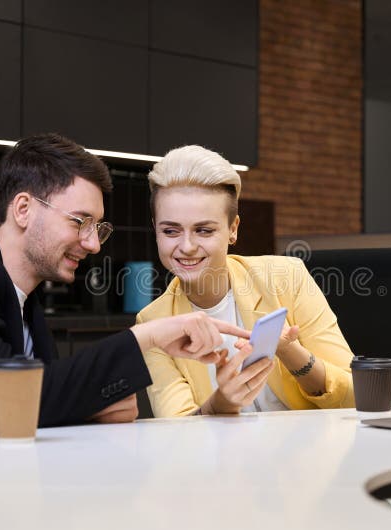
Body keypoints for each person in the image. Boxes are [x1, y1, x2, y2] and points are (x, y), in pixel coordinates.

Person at [0, 133, 248, 454]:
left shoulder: (24, 305)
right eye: (80, 221)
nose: (93, 244)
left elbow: (42, 402)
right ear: (23, 209)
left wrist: (86, 409)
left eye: (98, 227)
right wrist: (146, 339)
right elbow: (8, 396)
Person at [136, 145, 356, 417]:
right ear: (156, 230)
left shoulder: (286, 277)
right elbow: (177, 433)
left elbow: (354, 396)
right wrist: (221, 404)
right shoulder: (152, 324)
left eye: (204, 230)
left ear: (233, 229)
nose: (187, 246)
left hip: (309, 452)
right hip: (221, 459)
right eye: (170, 230)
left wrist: (289, 352)